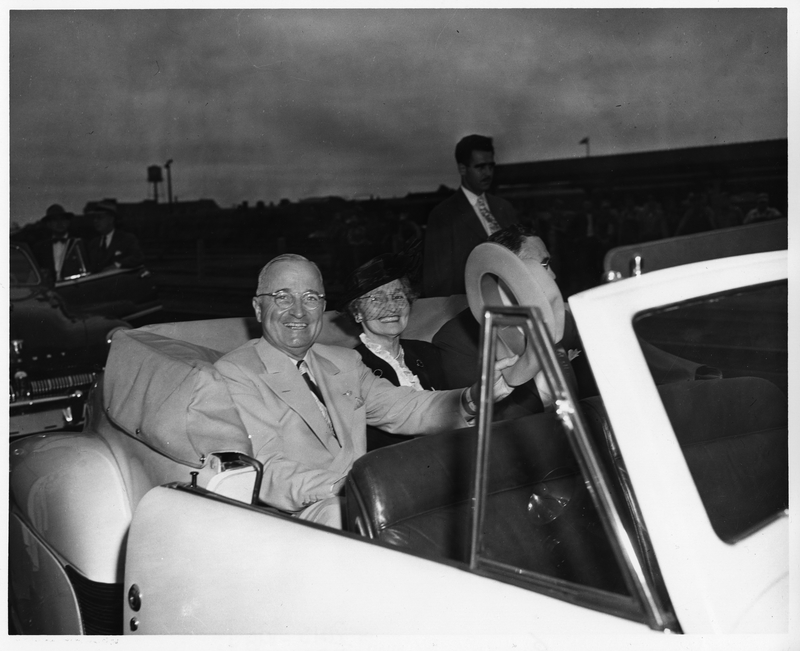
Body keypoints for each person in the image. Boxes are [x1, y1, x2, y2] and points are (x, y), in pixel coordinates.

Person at [214, 253, 517, 529]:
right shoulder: (235, 372)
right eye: (282, 297)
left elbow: (405, 407)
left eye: (310, 298)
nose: (298, 312)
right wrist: (352, 488)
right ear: (258, 308)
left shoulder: (344, 361)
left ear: (322, 307)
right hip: (299, 511)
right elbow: (267, 468)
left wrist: (473, 397)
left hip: (367, 498)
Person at [339, 252, 447, 450]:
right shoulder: (351, 367)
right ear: (357, 313)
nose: (391, 307)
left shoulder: (429, 352)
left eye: (398, 296)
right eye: (376, 300)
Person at [422, 134, 518, 297]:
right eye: (480, 167)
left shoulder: (504, 207)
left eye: (491, 166)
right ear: (462, 169)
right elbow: (438, 282)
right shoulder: (443, 215)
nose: (488, 173)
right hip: (469, 305)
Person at [31, 204, 88, 281]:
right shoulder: (40, 248)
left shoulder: (78, 243)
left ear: (68, 222)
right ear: (48, 224)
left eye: (62, 219)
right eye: (55, 220)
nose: (59, 223)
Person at [86, 200, 145, 272]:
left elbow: (138, 257)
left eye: (100, 217)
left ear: (111, 219)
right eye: (94, 218)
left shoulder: (127, 239)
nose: (95, 221)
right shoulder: (93, 244)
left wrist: (117, 265)